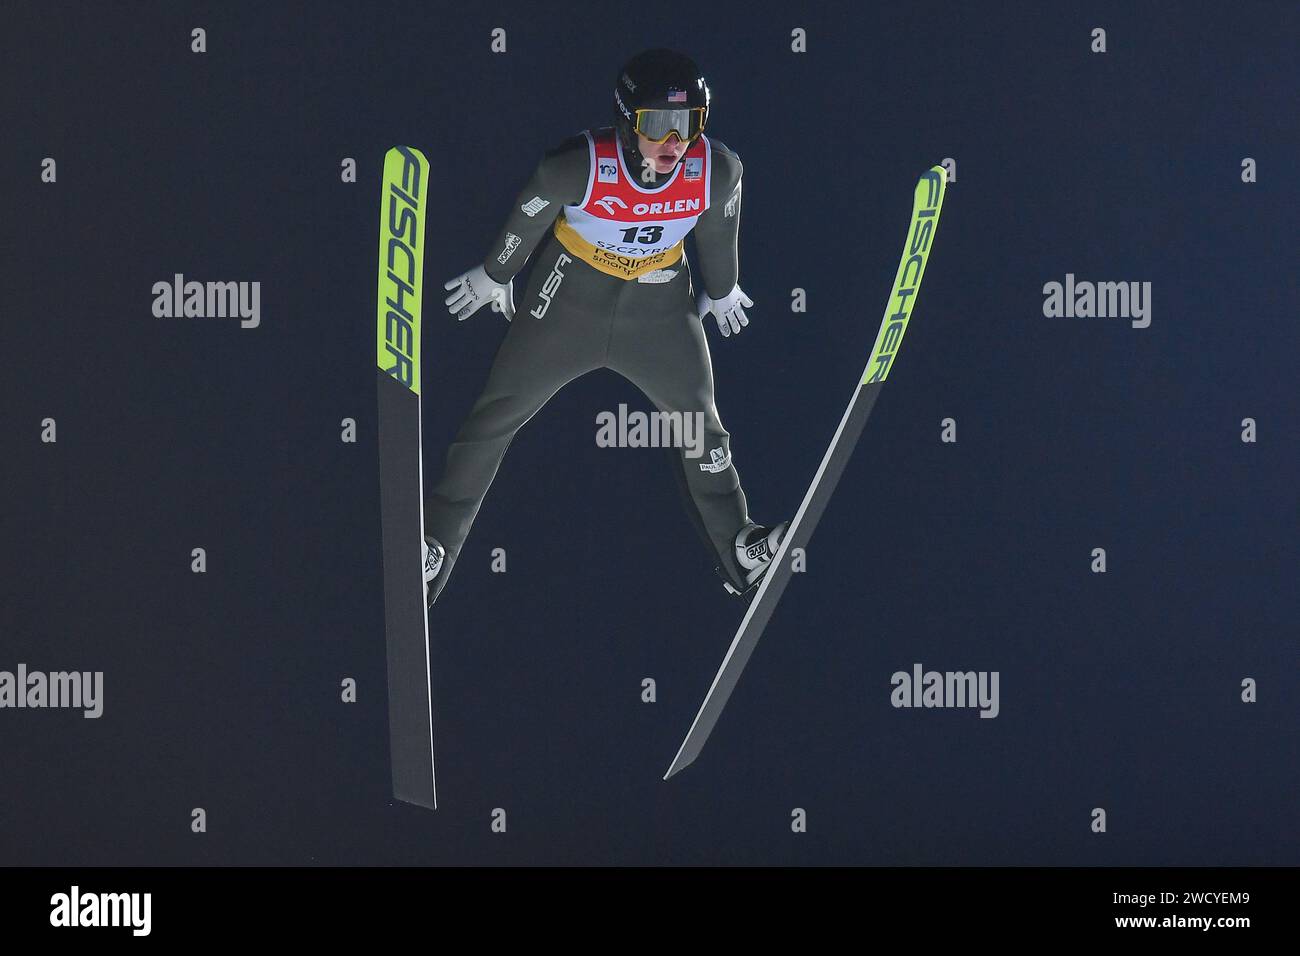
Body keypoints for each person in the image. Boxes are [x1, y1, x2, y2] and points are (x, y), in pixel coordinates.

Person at [422, 48, 785, 609]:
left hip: (659, 309)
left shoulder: (716, 172)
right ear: (627, 121)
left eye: (689, 125)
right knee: (495, 416)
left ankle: (740, 544)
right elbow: (529, 215)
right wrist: (498, 273)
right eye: (658, 125)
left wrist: (723, 286)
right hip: (570, 298)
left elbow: (718, 234)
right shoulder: (577, 165)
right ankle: (434, 547)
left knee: (699, 424)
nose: (674, 142)